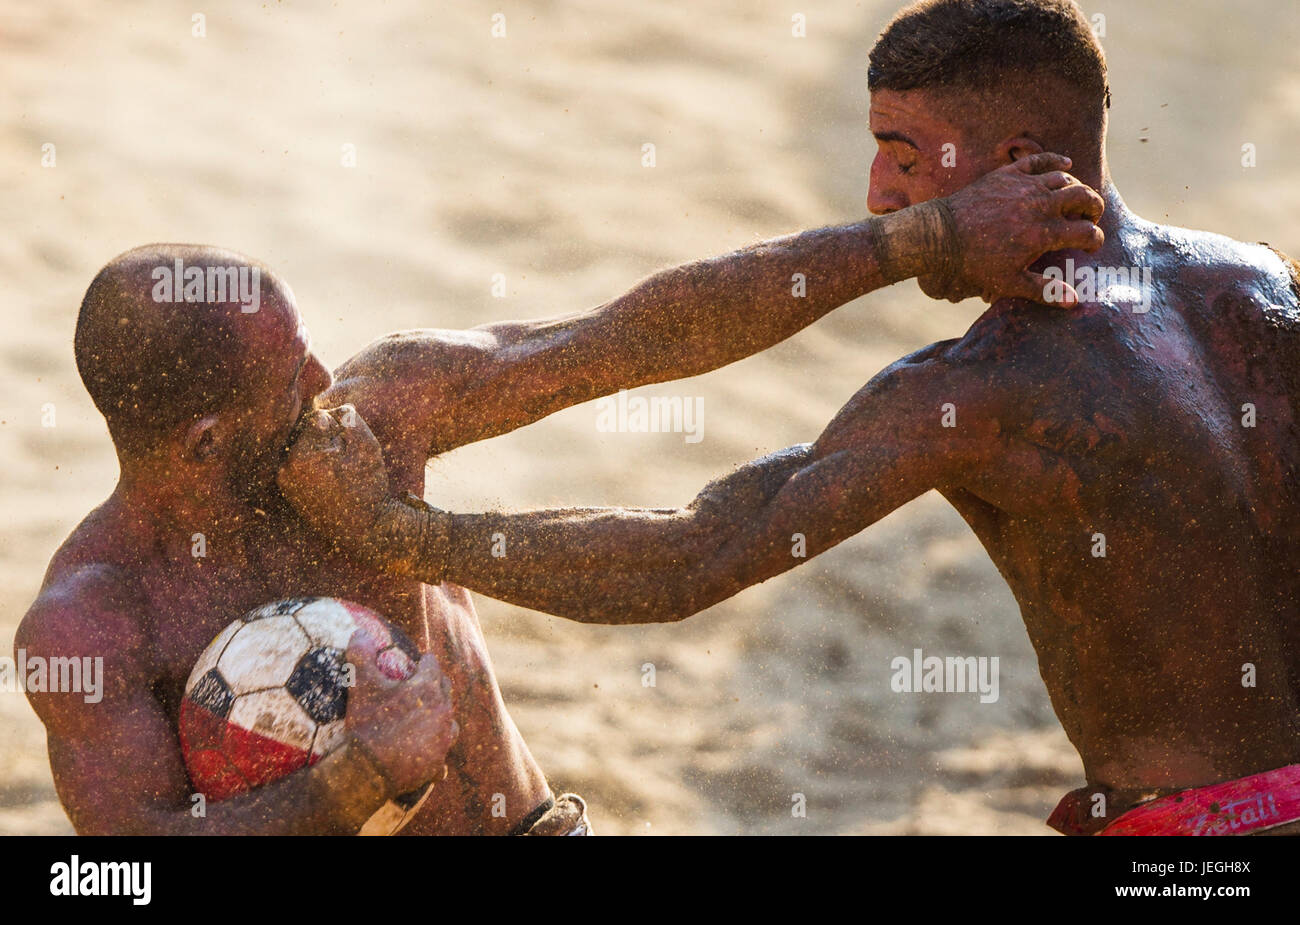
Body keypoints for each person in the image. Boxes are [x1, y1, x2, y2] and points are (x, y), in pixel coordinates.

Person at [281, 0, 1300, 835]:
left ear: (1016, 160)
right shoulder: (1254, 285)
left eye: (901, 156)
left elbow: (693, 556)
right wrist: (923, 231)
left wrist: (395, 534)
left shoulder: (980, 393)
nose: (875, 192)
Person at [16, 148, 1096, 833]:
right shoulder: (92, 619)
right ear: (201, 443)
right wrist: (358, 776)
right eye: (285, 377)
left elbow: (631, 336)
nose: (319, 379)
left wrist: (924, 238)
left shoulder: (367, 422)